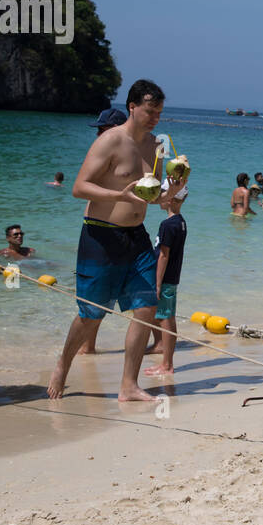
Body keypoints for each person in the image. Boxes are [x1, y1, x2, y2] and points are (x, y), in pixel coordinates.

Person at [48, 79, 185, 402]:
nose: (155, 118)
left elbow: (156, 199)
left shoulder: (156, 146)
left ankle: (128, 385)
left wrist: (174, 191)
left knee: (147, 307)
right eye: (150, 111)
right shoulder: (110, 141)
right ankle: (62, 366)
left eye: (160, 113)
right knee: (90, 315)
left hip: (135, 237)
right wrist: (118, 194)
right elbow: (79, 187)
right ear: (132, 107)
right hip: (100, 235)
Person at [143, 184, 189, 377]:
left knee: (166, 317)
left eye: (163, 194)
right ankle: (165, 359)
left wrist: (158, 283)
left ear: (170, 199)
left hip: (166, 278)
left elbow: (163, 255)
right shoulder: (180, 222)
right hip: (172, 277)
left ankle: (167, 365)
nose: (160, 197)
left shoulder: (167, 225)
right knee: (166, 316)